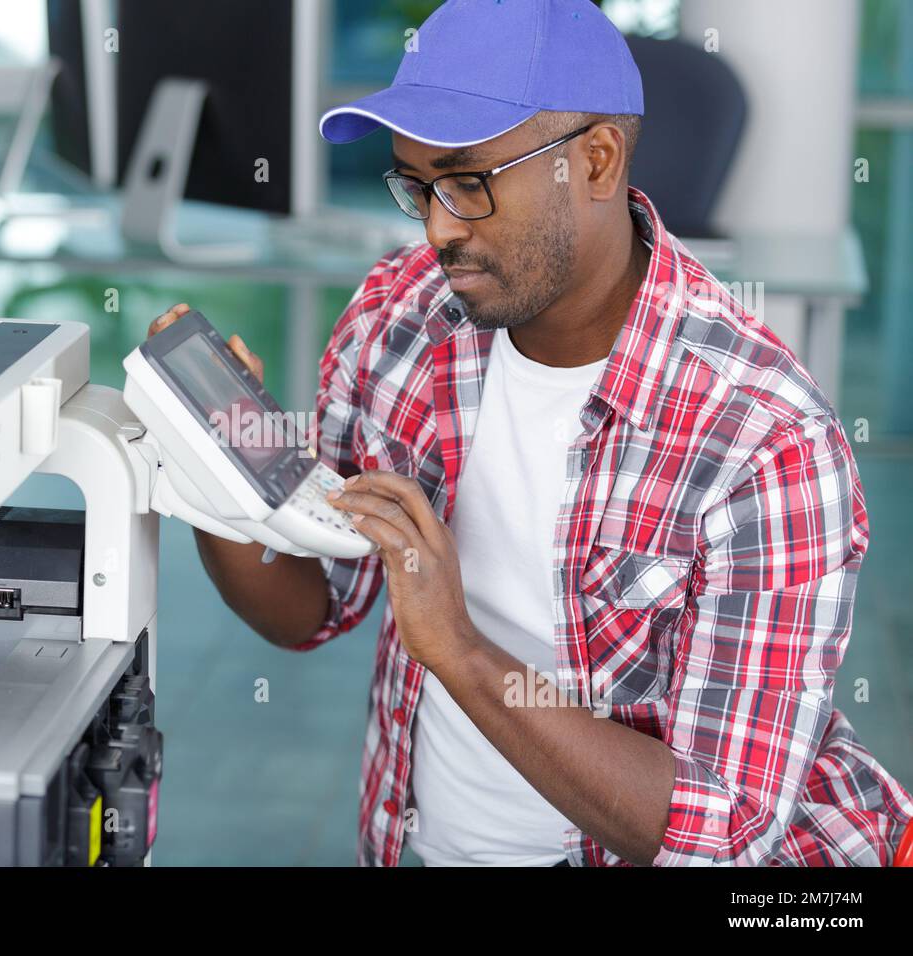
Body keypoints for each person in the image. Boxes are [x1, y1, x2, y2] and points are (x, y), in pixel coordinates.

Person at [149, 0, 913, 866]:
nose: (438, 228)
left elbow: (720, 832)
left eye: (469, 182)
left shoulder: (765, 445)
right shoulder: (400, 316)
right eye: (416, 185)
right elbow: (313, 607)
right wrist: (217, 482)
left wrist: (462, 652)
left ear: (595, 161)